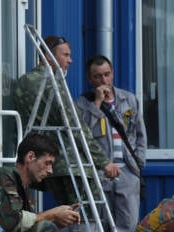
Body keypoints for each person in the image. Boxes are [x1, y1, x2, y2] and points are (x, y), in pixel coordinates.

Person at [11, 35, 120, 207]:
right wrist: (103, 162)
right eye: (66, 55)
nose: (70, 60)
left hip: (45, 161)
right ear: (48, 56)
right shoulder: (52, 82)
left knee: (66, 214)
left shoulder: (22, 82)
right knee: (85, 217)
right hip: (71, 163)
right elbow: (75, 125)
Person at [76, 54, 148, 232]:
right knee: (101, 226)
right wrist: (97, 103)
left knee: (127, 225)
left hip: (127, 171)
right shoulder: (84, 104)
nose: (103, 80)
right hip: (100, 172)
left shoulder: (128, 99)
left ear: (113, 73)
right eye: (97, 76)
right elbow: (83, 132)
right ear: (90, 78)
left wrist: (139, 162)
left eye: (106, 74)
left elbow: (139, 133)